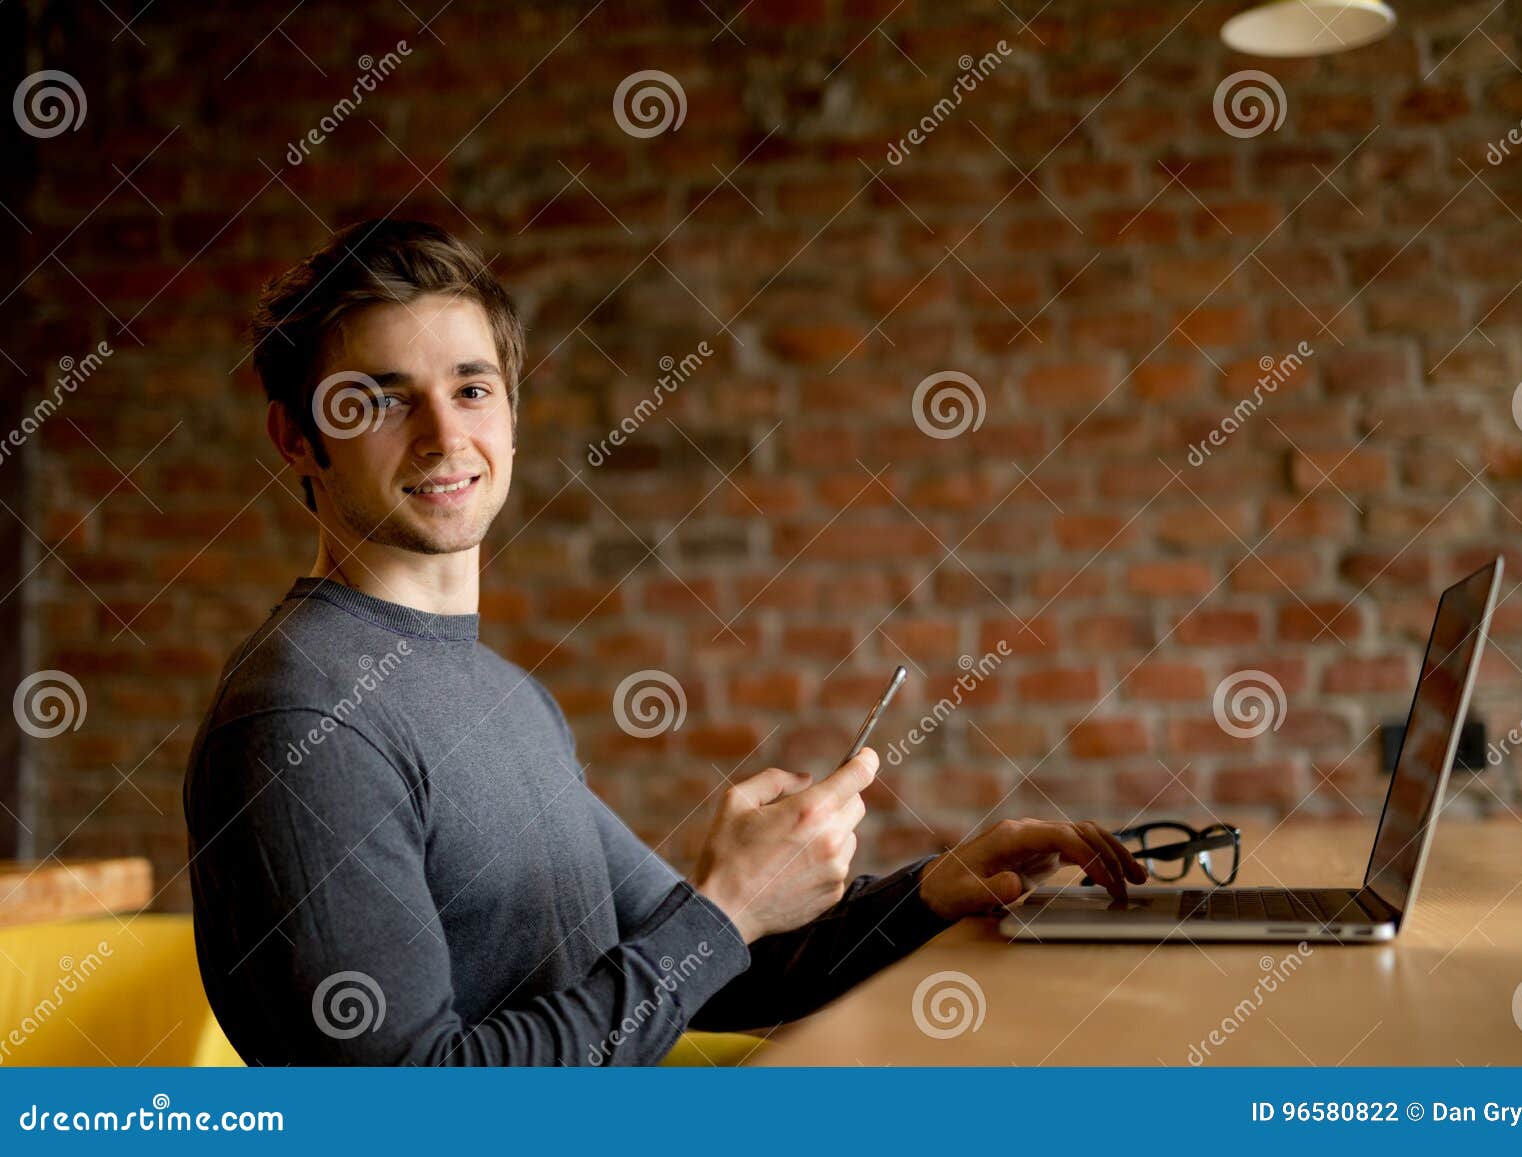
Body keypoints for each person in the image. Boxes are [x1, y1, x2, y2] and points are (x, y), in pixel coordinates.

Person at [183, 219, 1146, 1066]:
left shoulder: (506, 695)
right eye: (383, 399)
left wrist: (933, 891)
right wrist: (727, 906)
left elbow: (711, 971)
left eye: (472, 389)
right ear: (298, 438)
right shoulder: (301, 716)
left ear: (512, 418)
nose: (444, 433)